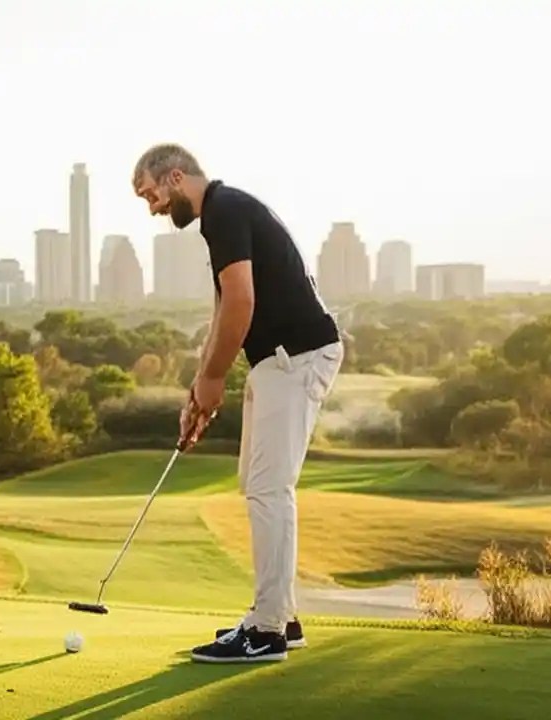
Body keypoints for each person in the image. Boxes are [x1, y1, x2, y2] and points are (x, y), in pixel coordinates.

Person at [131, 143, 343, 664]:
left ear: (175, 176)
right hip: (277, 361)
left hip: (295, 357)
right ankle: (281, 616)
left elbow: (243, 300)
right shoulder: (221, 215)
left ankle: (267, 629)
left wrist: (217, 376)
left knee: (269, 489)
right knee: (260, 485)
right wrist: (201, 385)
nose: (153, 208)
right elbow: (225, 306)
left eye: (150, 194)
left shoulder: (224, 210)